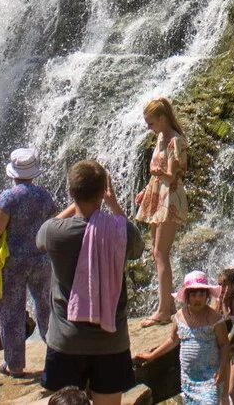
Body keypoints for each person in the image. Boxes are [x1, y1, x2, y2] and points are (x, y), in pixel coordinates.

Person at [38, 160, 144, 405]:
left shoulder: (55, 233)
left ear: (71, 192)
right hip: (111, 341)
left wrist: (74, 203)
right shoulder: (121, 232)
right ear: (103, 191)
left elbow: (42, 234)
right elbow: (138, 246)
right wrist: (113, 203)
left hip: (66, 340)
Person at [0, 147, 56, 377]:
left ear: (13, 173)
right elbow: (52, 224)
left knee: (12, 311)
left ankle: (14, 365)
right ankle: (57, 353)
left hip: (13, 262)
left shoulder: (8, 197)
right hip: (41, 259)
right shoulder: (44, 196)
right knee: (46, 306)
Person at [133, 271, 232, 405]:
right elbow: (173, 340)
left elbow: (225, 345)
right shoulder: (180, 316)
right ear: (187, 296)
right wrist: (151, 356)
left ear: (207, 295)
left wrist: (222, 369)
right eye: (194, 294)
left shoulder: (215, 319)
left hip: (210, 378)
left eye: (202, 294)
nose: (198, 298)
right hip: (188, 380)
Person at [135, 98, 188, 325]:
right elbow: (157, 172)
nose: (149, 128)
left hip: (170, 196)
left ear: (162, 118)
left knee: (161, 253)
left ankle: (164, 310)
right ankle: (164, 307)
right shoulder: (159, 138)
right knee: (156, 252)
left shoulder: (176, 141)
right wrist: (146, 190)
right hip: (158, 193)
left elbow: (176, 175)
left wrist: (159, 174)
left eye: (151, 123)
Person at [215, 269, 234, 405]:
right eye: (220, 284)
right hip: (222, 349)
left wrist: (225, 304)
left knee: (232, 390)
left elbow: (232, 323)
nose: (222, 288)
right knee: (222, 392)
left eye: (225, 285)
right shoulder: (216, 300)